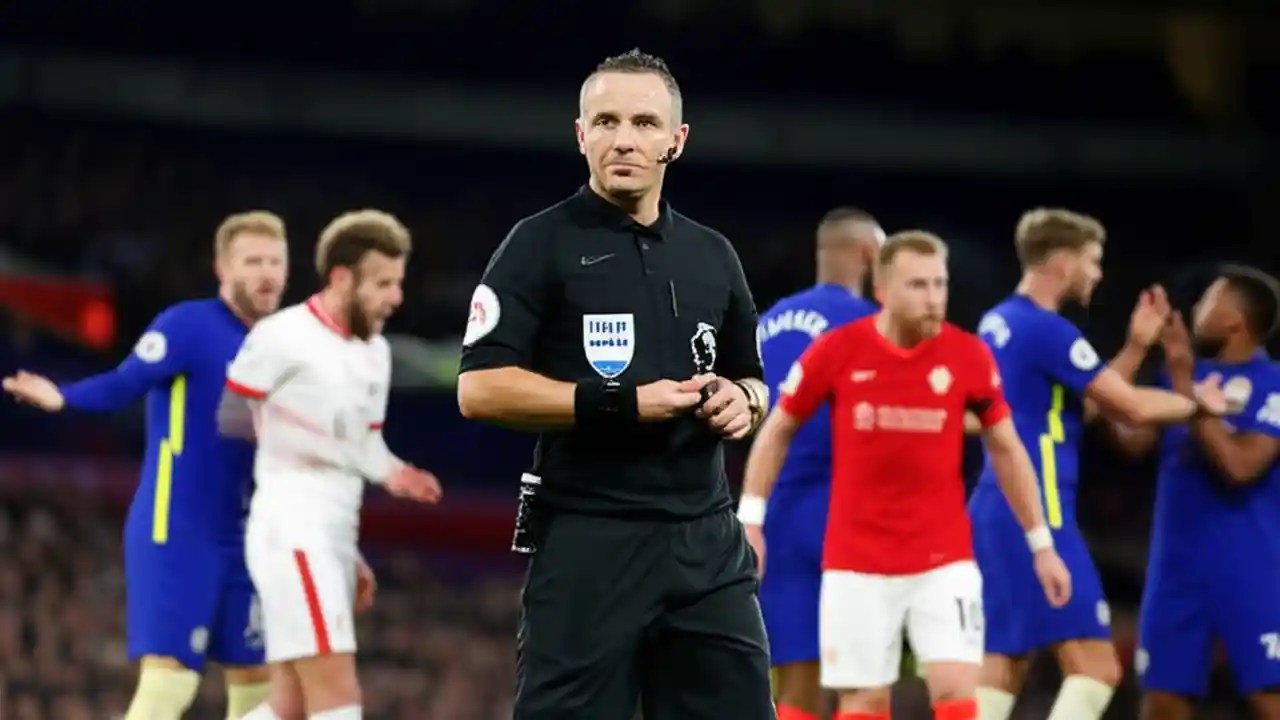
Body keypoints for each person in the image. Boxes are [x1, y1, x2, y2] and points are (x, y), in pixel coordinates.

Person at [455, 48, 774, 719]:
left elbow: (752, 376)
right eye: (604, 121)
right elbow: (479, 389)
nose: (623, 139)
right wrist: (620, 402)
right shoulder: (537, 244)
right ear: (580, 134)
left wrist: (741, 402)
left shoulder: (713, 254)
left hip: (705, 542)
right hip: (589, 540)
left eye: (643, 123)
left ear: (675, 141)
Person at [741, 230, 1073, 720]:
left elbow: (1007, 447)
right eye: (918, 285)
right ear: (882, 289)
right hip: (855, 562)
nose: (935, 298)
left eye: (940, 284)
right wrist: (751, 518)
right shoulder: (838, 351)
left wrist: (1041, 543)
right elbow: (777, 430)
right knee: (862, 702)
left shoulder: (968, 356)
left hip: (943, 560)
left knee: (958, 693)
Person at [2, 211, 288, 720]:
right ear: (223, 269)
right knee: (168, 687)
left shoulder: (286, 347)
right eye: (252, 261)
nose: (266, 272)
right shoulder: (186, 326)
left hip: (247, 540)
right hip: (177, 532)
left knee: (258, 689)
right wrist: (62, 397)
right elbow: (123, 383)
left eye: (274, 261)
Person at [969, 208, 1229, 720]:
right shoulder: (1047, 331)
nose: (1098, 273)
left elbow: (1082, 408)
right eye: (1093, 260)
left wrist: (1134, 347)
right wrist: (1201, 403)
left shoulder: (1000, 322)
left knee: (1004, 664)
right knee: (1096, 668)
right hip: (1039, 512)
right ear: (1063, 263)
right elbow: (1129, 407)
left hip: (995, 507)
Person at [221, 210, 443, 720]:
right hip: (293, 532)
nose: (396, 297)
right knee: (336, 692)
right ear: (342, 278)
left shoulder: (376, 353)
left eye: (398, 283)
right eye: (383, 284)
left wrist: (393, 474)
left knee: (290, 701)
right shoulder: (283, 337)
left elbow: (364, 445)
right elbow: (229, 421)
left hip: (331, 536)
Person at [1108, 266, 1280, 720]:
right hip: (1175, 569)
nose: (1196, 308)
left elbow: (1240, 466)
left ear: (1233, 321)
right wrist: (1137, 349)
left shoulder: (1275, 384)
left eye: (1208, 301)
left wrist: (1186, 389)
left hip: (1252, 568)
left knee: (1269, 699)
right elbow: (1131, 441)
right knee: (1162, 703)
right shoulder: (1178, 374)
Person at [741, 207, 883, 720]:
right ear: (869, 256)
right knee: (863, 680)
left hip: (776, 510)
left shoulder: (766, 324)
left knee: (796, 677)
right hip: (845, 510)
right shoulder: (869, 326)